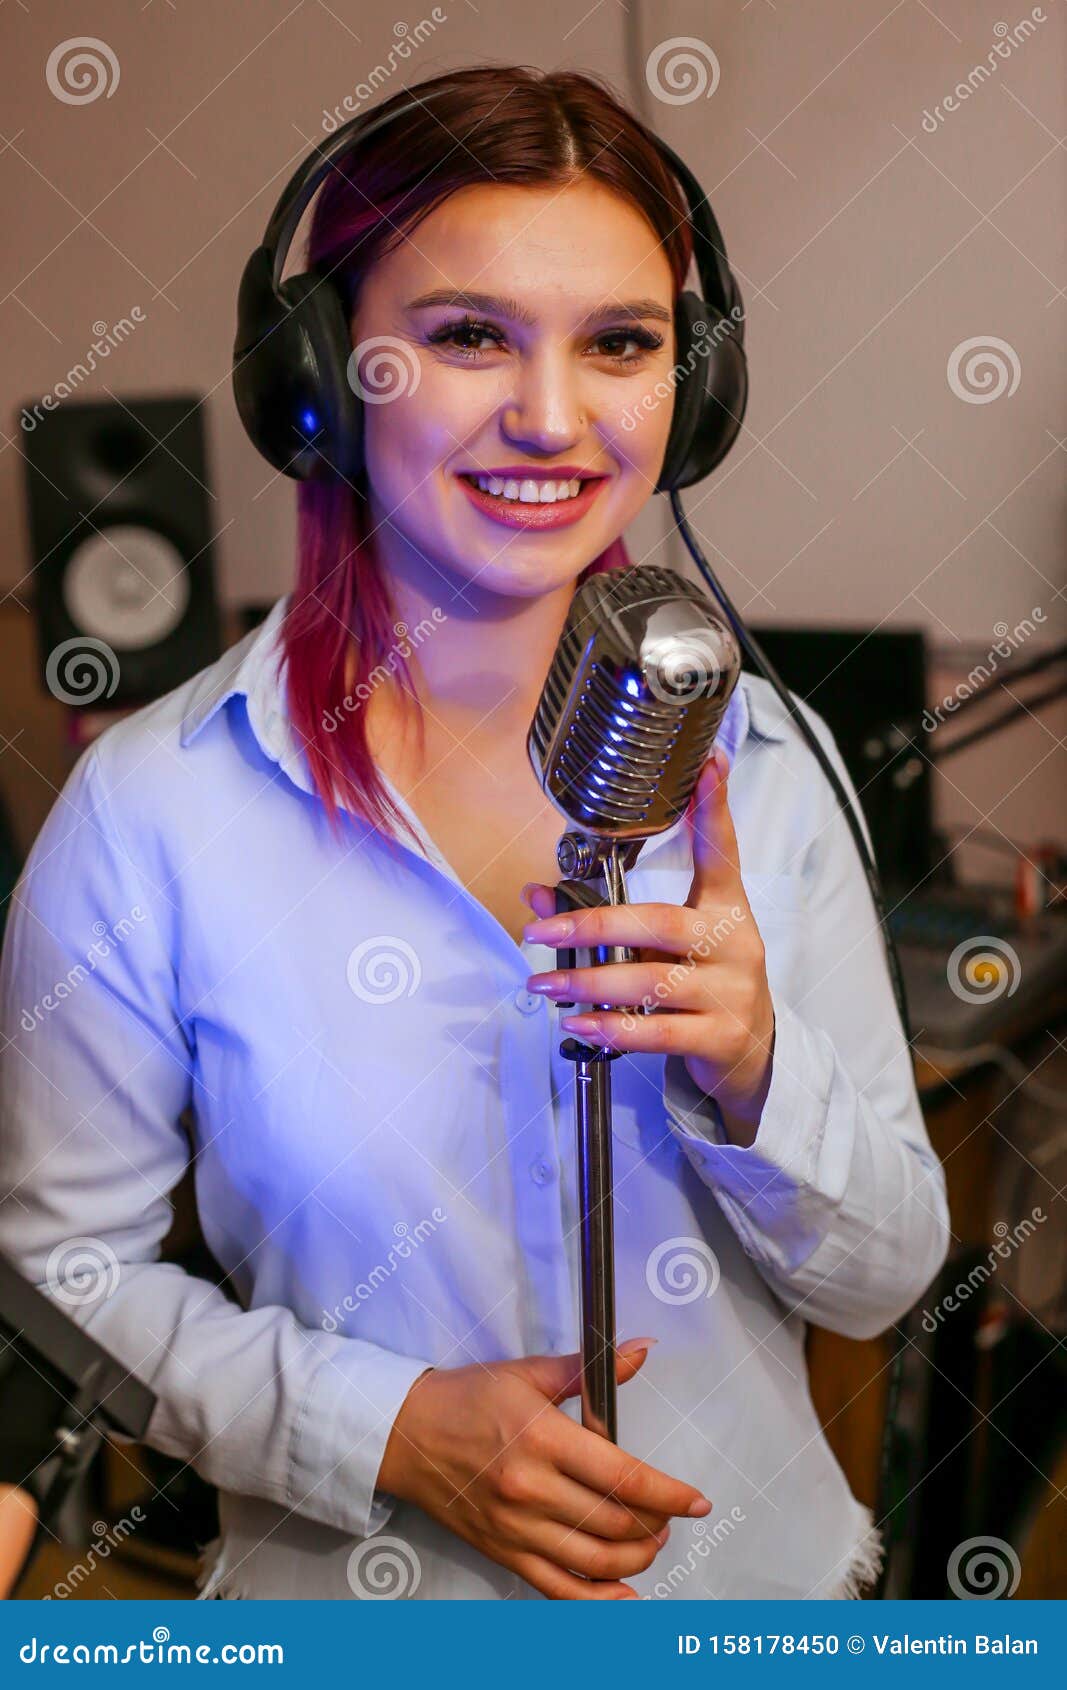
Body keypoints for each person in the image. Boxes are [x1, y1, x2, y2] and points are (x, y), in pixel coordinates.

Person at [0, 64, 948, 1601]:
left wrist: (762, 1066)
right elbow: (67, 1278)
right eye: (467, 338)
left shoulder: (769, 765)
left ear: (691, 390)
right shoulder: (154, 812)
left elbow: (893, 1270)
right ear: (315, 374)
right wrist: (387, 1431)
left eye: (621, 344)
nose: (554, 417)